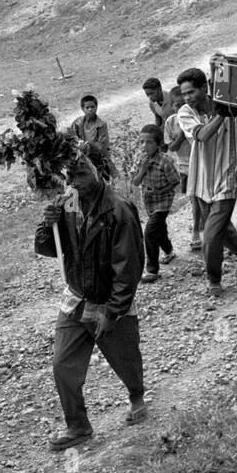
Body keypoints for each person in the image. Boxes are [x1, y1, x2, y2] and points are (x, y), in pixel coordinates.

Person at [35, 151, 146, 451]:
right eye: (70, 176)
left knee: (124, 355)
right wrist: (48, 225)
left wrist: (114, 310)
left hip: (108, 299)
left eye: (82, 174)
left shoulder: (119, 210)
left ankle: (137, 396)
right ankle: (78, 426)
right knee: (62, 364)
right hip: (75, 297)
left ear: (100, 172)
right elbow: (51, 250)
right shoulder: (67, 203)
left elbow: (129, 266)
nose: (74, 182)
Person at [177, 67, 237, 297]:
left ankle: (214, 280)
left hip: (227, 179)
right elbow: (201, 136)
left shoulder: (229, 106)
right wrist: (223, 113)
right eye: (184, 93)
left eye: (191, 92)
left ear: (204, 88)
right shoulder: (185, 112)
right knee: (221, 228)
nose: (187, 97)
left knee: (210, 232)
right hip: (200, 180)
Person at [131, 125, 179, 282]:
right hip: (149, 201)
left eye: (149, 142)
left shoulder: (166, 161)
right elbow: (136, 182)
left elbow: (174, 181)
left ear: (158, 144)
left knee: (150, 232)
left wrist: (161, 191)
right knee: (159, 229)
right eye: (142, 142)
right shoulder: (140, 160)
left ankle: (152, 270)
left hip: (163, 201)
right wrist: (142, 170)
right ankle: (169, 251)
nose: (145, 146)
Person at [70, 95, 111, 165]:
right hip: (79, 153)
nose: (90, 109)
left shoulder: (101, 124)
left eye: (92, 107)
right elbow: (72, 136)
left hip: (97, 156)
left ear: (96, 107)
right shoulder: (77, 122)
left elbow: (102, 145)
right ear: (82, 109)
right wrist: (77, 145)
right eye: (87, 107)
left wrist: (88, 147)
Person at [142, 77, 173, 143]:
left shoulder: (172, 98)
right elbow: (158, 118)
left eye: (152, 93)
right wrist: (156, 132)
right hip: (166, 130)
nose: (150, 97)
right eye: (147, 94)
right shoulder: (152, 103)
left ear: (159, 89)